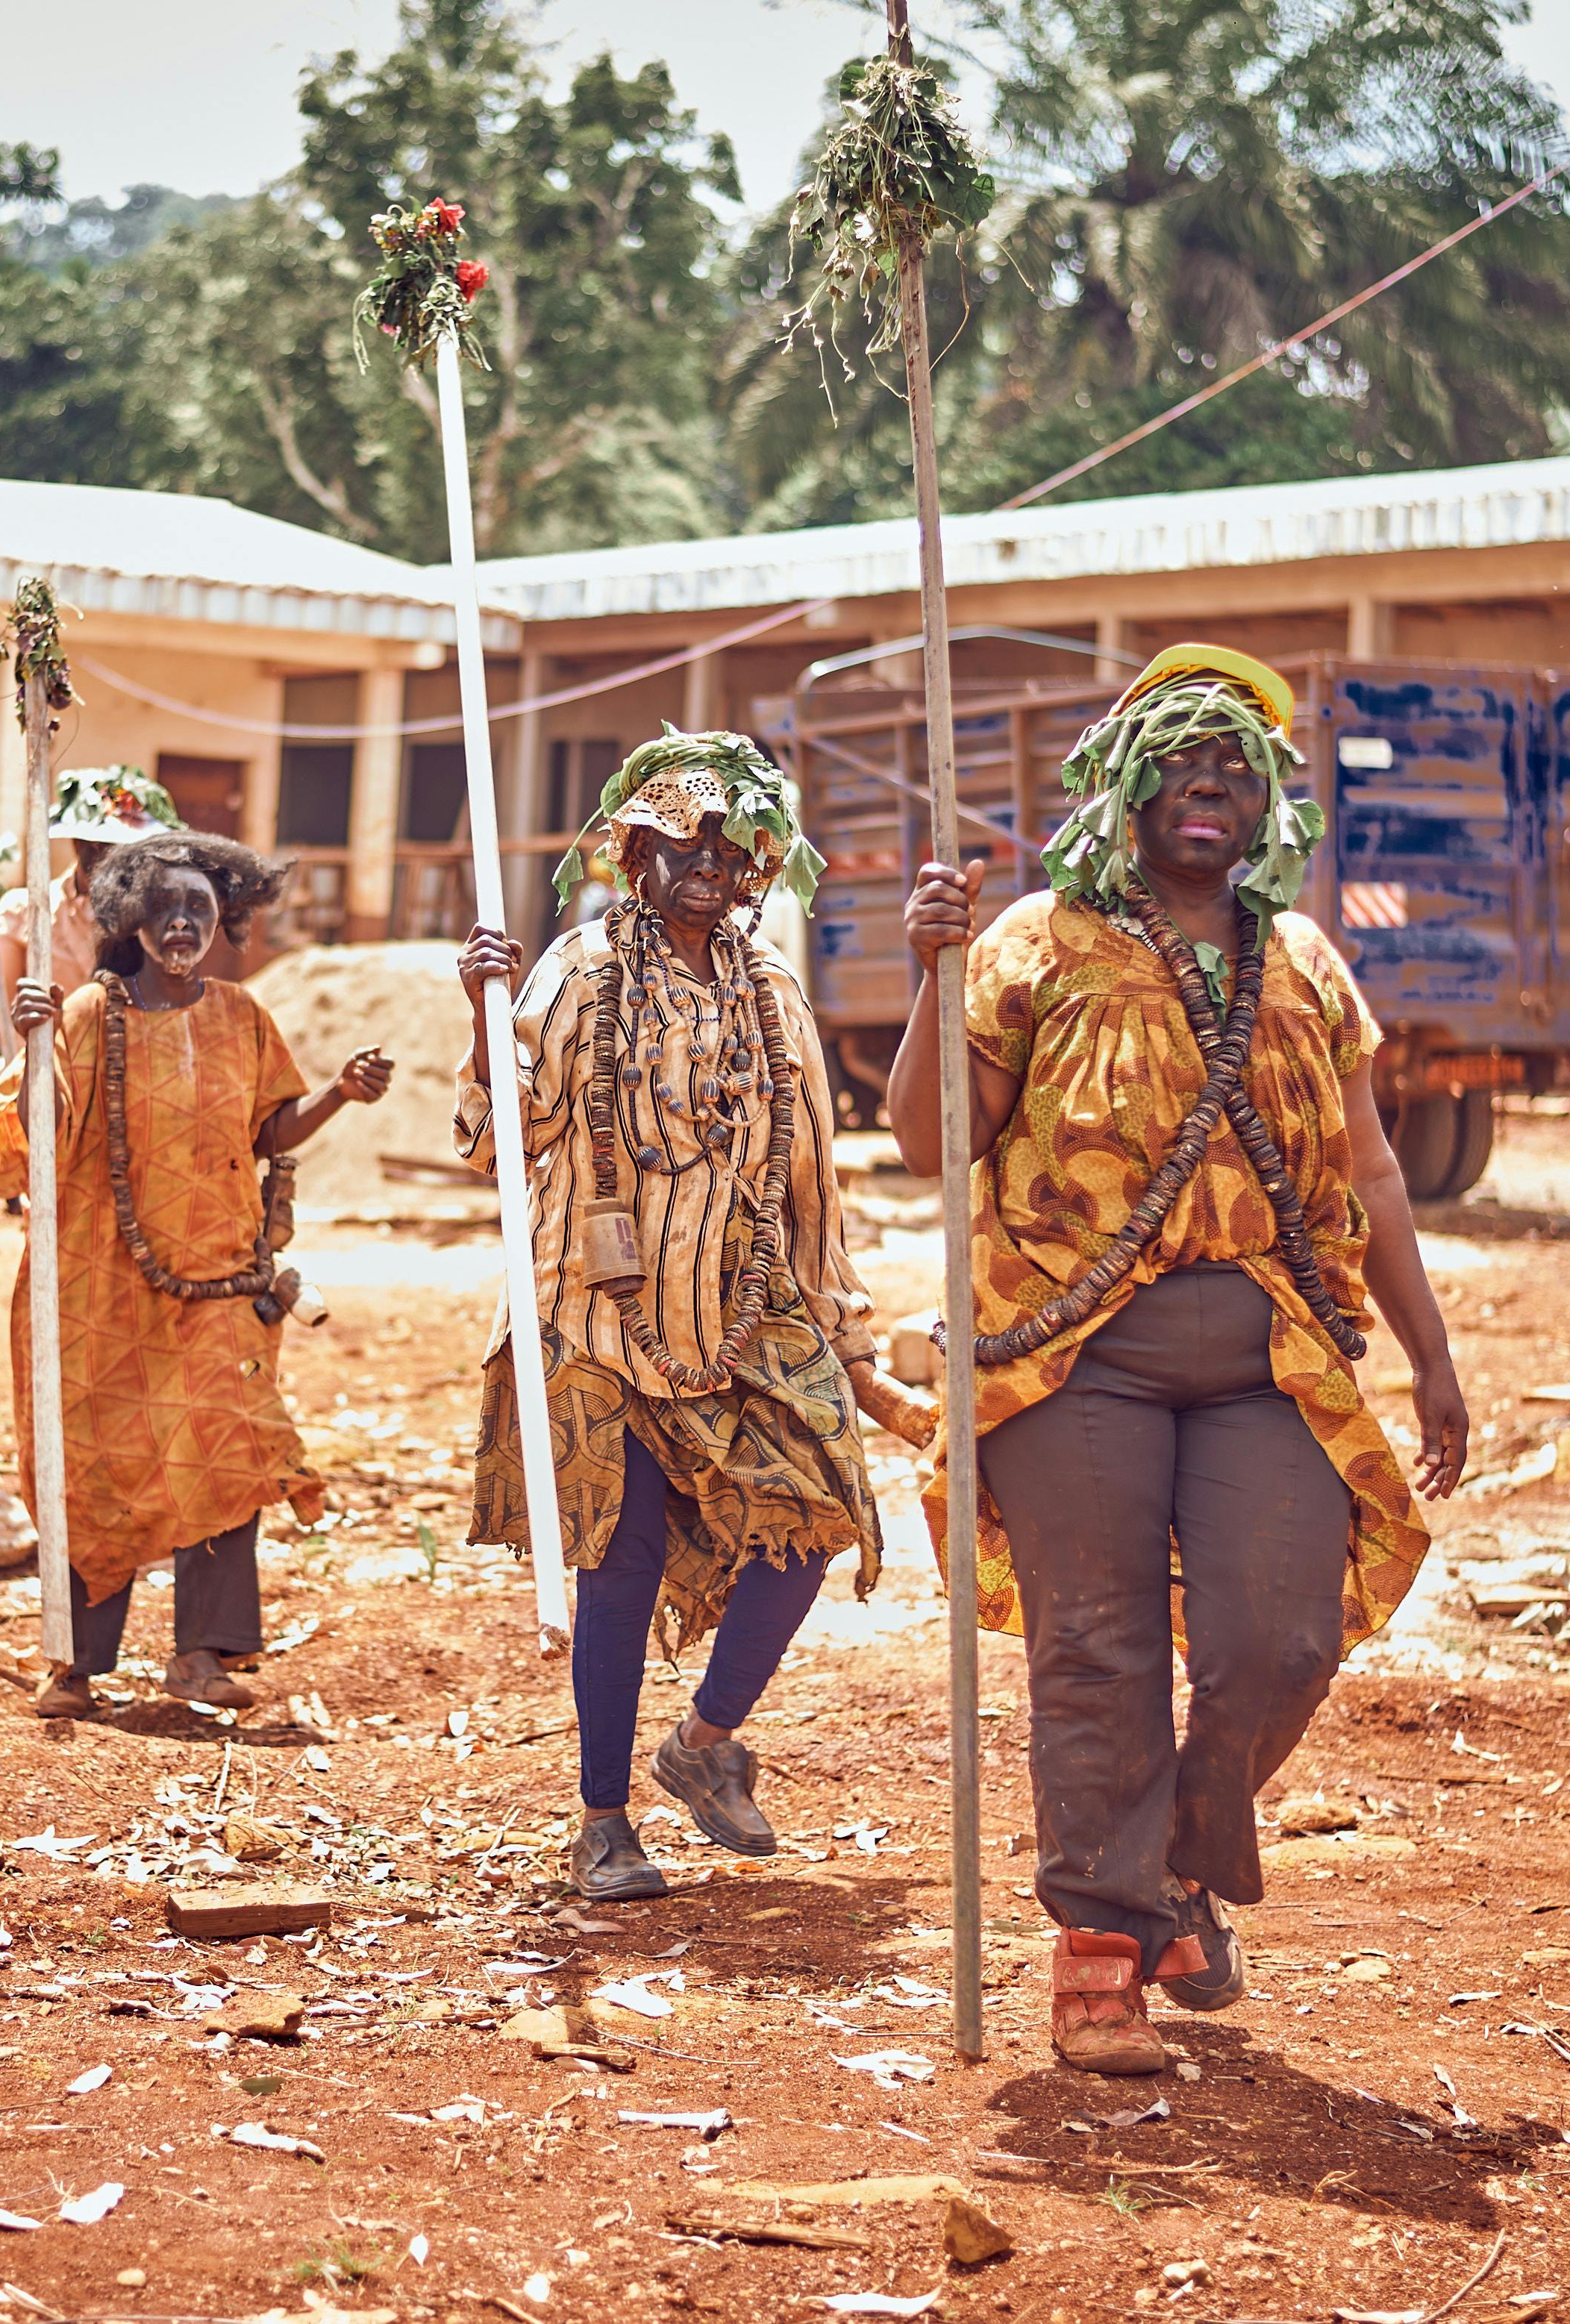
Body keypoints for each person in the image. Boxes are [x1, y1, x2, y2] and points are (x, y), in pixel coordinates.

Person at [888, 644, 1469, 2076]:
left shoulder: (1309, 962)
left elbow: (1375, 1170)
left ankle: (1175, 1873)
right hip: (1068, 1354)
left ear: (1269, 805)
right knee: (1100, 1652)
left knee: (1280, 1642)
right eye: (1181, 766)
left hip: (1270, 1349)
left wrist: (1433, 1361)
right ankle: (1099, 1954)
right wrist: (929, 977)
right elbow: (929, 1142)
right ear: (1124, 789)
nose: (1210, 789)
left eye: (1238, 772)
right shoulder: (1032, 941)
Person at [456, 733, 910, 1902]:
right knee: (618, 1558)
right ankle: (601, 1818)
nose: (708, 864)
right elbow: (502, 1130)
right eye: (682, 842)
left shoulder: (774, 991)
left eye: (728, 844)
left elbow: (809, 1179)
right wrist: (479, 1013)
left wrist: (849, 1343)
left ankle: (702, 1741)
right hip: (598, 1318)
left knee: (815, 1514)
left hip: (746, 1315)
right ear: (634, 851)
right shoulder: (576, 971)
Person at [0, 830, 392, 1719]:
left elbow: (266, 1132)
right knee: (98, 1464)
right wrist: (35, 1049)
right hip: (100, 1290)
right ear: (133, 916)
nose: (184, 924)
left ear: (224, 920)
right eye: (167, 908)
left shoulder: (242, 1015)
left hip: (219, 1290)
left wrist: (340, 1095)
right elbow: (14, 1153)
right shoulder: (86, 1015)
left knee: (223, 1449)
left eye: (201, 909)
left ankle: (201, 1657)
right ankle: (74, 1664)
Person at [0, 765, 184, 1039]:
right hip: (45, 1073)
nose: (117, 857)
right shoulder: (25, 910)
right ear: (78, 844)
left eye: (128, 847)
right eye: (103, 845)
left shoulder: (157, 916)